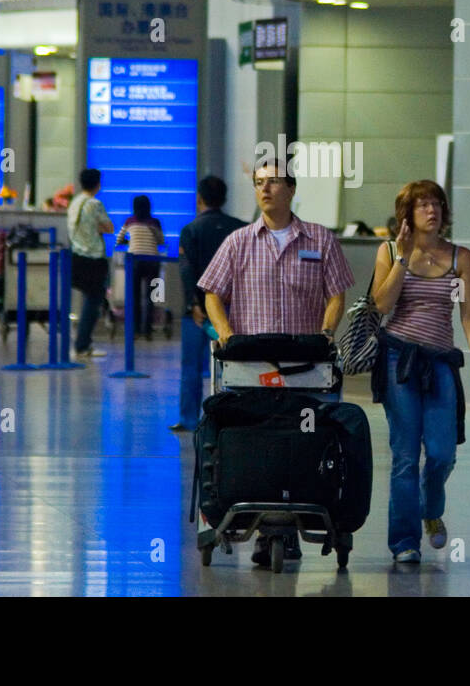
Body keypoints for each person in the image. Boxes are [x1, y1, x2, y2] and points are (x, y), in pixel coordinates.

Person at [198, 158, 354, 564]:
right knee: (257, 440)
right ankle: (265, 526)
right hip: (250, 366)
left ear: (291, 189)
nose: (265, 189)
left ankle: (291, 519)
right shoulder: (237, 242)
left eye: (273, 182)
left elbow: (337, 294)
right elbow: (211, 292)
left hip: (305, 367)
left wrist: (326, 331)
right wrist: (225, 332)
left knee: (301, 441)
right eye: (258, 183)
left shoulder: (320, 240)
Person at [370, 180, 470, 564]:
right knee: (405, 455)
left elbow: (467, 314)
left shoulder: (460, 258)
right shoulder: (389, 251)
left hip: (440, 361)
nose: (432, 211)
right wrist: (403, 258)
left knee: (442, 453)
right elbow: (382, 304)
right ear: (407, 214)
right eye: (422, 205)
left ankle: (431, 508)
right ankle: (404, 541)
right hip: (398, 360)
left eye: (436, 204)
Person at [172, 176, 243, 432]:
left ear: (199, 199)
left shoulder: (190, 230)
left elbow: (186, 270)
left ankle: (189, 419)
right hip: (233, 309)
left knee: (190, 366)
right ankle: (232, 417)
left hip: (197, 311)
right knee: (235, 365)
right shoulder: (240, 229)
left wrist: (195, 304)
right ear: (224, 198)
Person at [67, 168, 114, 359]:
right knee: (93, 303)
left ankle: (81, 344)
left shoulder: (75, 202)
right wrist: (98, 227)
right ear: (97, 183)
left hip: (76, 256)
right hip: (93, 258)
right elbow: (109, 228)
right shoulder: (94, 203)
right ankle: (83, 345)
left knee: (89, 300)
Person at [116, 195, 165, 339]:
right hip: (152, 261)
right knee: (150, 297)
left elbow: (119, 240)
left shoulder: (129, 221)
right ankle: (148, 331)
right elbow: (161, 241)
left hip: (134, 261)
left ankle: (135, 331)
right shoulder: (155, 222)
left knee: (134, 297)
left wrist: (129, 242)